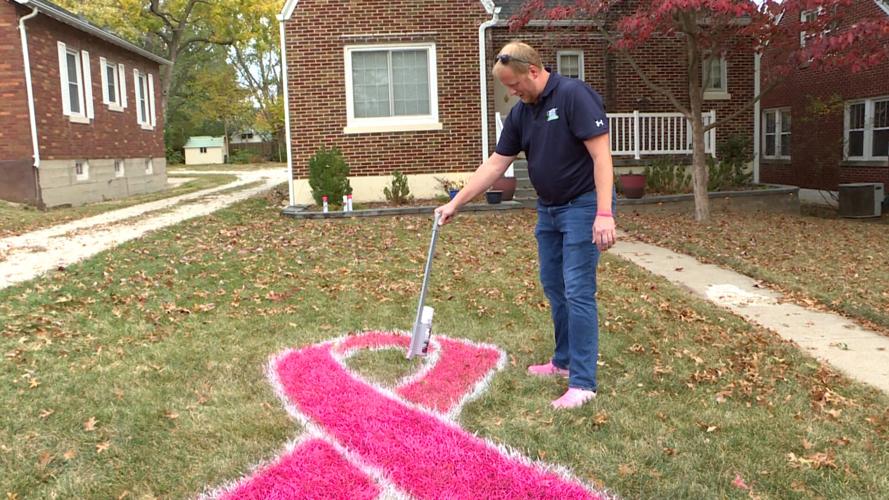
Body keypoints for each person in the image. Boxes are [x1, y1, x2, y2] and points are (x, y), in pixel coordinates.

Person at [435, 41, 616, 409]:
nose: (512, 92)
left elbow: (601, 156)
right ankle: (563, 362)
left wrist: (603, 213)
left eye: (514, 84)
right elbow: (495, 165)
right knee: (554, 285)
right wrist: (456, 202)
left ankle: (583, 383)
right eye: (507, 87)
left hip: (582, 206)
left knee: (578, 289)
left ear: (533, 70)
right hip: (548, 210)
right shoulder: (522, 113)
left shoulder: (573, 96)